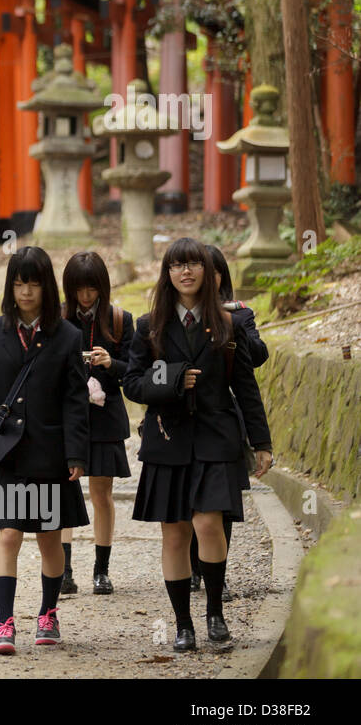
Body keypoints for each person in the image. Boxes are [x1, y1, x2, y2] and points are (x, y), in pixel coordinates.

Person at [123, 238, 273, 652]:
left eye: (194, 264)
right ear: (167, 273)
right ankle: (183, 624)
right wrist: (170, 382)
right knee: (174, 533)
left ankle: (215, 613)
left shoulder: (229, 324)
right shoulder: (147, 325)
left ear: (209, 273)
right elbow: (132, 382)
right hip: (168, 440)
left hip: (215, 436)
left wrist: (260, 442)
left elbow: (245, 386)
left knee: (208, 524)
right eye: (177, 265)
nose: (185, 271)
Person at [0, 246, 90, 655]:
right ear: (10, 286)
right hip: (8, 455)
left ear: (46, 286)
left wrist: (76, 454)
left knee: (50, 539)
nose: (26, 291)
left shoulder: (67, 336)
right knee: (9, 534)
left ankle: (48, 613)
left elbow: (75, 400)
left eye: (33, 283)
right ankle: (5, 623)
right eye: (18, 283)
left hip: (50, 454)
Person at [186, 245, 272, 599]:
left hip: (226, 420)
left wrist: (233, 327)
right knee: (190, 503)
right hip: (186, 419)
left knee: (223, 502)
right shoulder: (176, 316)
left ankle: (215, 576)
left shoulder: (239, 315)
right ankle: (193, 569)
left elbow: (257, 357)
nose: (210, 276)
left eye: (216, 270)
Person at [58, 251, 134, 597]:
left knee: (102, 494)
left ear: (102, 286)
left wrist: (111, 363)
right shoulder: (56, 318)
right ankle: (64, 570)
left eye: (91, 289)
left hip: (105, 418)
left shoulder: (120, 321)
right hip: (64, 418)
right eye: (79, 290)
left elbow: (136, 372)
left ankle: (101, 571)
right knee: (63, 492)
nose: (86, 297)